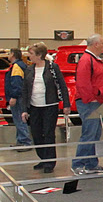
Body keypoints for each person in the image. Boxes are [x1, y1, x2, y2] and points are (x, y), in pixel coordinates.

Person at [19, 43, 70, 173]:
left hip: (50, 106)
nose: (29, 56)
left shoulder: (53, 68)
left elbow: (62, 86)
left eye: (31, 54)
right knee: (36, 134)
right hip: (34, 107)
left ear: (39, 55)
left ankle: (50, 162)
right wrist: (24, 109)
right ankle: (43, 157)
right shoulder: (29, 70)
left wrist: (66, 104)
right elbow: (25, 90)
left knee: (48, 133)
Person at [72, 34, 103, 174]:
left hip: (96, 102)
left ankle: (91, 163)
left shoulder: (93, 60)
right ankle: (78, 163)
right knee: (89, 133)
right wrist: (90, 99)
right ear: (95, 44)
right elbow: (82, 83)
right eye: (102, 43)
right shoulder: (86, 60)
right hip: (89, 103)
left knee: (94, 133)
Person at [4, 48, 33, 151]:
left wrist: (14, 96)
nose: (7, 55)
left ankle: (25, 142)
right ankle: (20, 141)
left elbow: (16, 82)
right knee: (18, 119)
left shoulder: (16, 66)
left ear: (13, 54)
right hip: (21, 96)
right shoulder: (21, 65)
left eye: (9, 53)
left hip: (18, 97)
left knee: (19, 119)